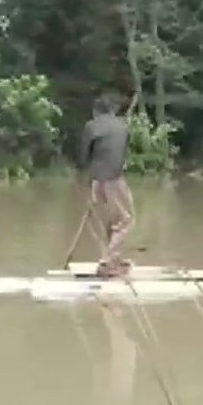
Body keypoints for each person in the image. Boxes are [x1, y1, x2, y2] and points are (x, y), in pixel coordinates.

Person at [78, 94, 135, 278]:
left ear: (96, 111)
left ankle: (114, 259)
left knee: (111, 222)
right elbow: (121, 154)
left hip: (97, 181)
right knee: (125, 220)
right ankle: (107, 261)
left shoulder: (91, 126)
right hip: (114, 178)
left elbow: (83, 157)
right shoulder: (121, 126)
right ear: (112, 110)